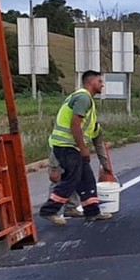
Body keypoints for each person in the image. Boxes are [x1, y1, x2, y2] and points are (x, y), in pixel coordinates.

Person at [40, 70, 111, 225]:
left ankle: (92, 212)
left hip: (72, 147)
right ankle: (49, 210)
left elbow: (93, 134)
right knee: (72, 179)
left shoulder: (86, 100)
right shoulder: (83, 97)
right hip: (67, 146)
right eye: (100, 81)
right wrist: (83, 148)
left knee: (87, 180)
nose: (102, 85)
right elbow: (75, 124)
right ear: (91, 82)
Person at [47, 122, 113, 218]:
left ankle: (71, 208)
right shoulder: (73, 129)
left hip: (75, 150)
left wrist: (105, 165)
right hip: (59, 148)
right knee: (58, 178)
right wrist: (54, 167)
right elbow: (58, 145)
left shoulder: (95, 129)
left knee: (75, 176)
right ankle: (51, 210)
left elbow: (99, 146)